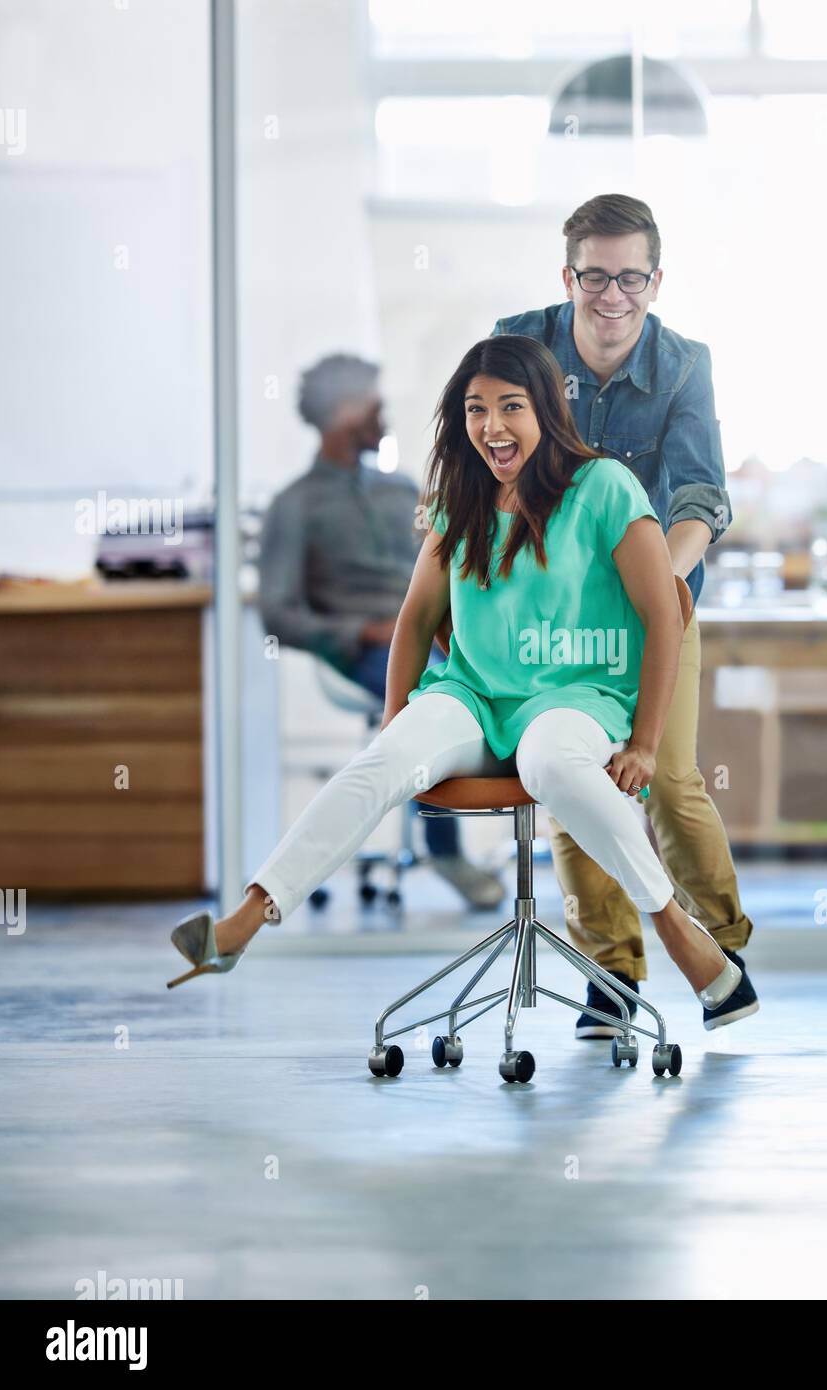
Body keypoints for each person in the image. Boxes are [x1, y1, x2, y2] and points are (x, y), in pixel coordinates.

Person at [167, 335, 751, 1030]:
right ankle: (242, 923)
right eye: (476, 410)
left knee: (548, 761)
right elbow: (416, 620)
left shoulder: (604, 489)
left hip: (577, 698)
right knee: (381, 761)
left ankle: (678, 931)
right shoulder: (460, 499)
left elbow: (663, 616)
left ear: (546, 412)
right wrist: (397, 720)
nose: (491, 427)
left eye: (510, 407)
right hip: (474, 696)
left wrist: (646, 744)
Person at [492, 193, 757, 1033]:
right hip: (556, 610)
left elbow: (699, 492)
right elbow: (487, 459)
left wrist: (661, 579)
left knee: (669, 780)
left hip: (657, 605)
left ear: (656, 279)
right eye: (596, 277)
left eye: (631, 278)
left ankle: (719, 946)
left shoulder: (683, 364)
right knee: (579, 781)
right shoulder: (520, 344)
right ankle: (612, 973)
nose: (613, 296)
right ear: (568, 275)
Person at [257, 352, 503, 910]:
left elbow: (447, 564)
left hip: (440, 630)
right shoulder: (293, 507)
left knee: (488, 677)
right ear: (346, 414)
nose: (384, 416)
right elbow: (278, 613)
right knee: (439, 698)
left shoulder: (401, 491)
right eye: (375, 406)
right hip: (365, 649)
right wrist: (358, 630)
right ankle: (445, 851)